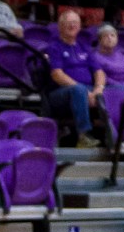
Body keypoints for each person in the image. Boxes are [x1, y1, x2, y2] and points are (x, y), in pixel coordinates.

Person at [43, 9, 107, 148]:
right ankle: (83, 137)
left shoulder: (84, 47)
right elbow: (57, 75)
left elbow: (99, 72)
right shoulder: (54, 47)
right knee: (78, 90)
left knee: (117, 91)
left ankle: (113, 134)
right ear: (60, 26)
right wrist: (84, 91)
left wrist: (98, 90)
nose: (73, 26)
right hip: (60, 94)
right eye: (69, 22)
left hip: (87, 90)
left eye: (75, 23)